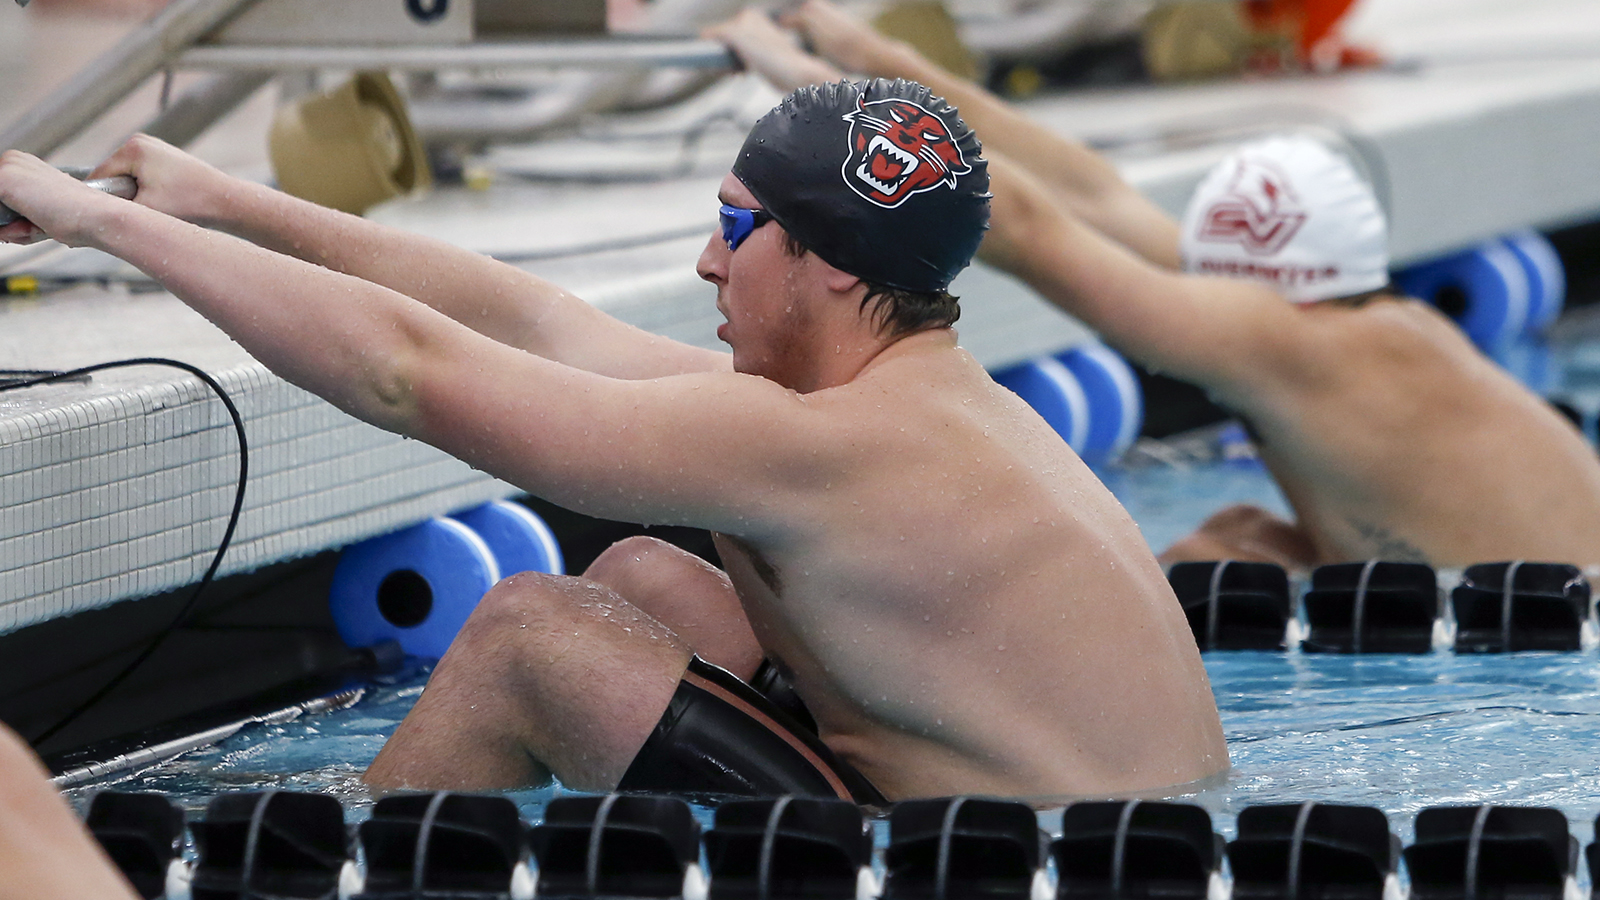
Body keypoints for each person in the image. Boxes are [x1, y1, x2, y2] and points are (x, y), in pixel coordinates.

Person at [0, 78, 1226, 800]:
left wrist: (101, 233)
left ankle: (333, 861)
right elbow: (538, 318)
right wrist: (218, 201)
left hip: (1028, 868)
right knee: (645, 582)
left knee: (535, 640)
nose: (706, 259)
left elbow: (403, 373)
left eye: (737, 229)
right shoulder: (910, 405)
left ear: (833, 270)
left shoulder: (815, 447)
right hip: (1126, 839)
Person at [710, 2, 1600, 572]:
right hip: (1532, 614)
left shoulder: (1282, 342)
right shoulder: (1348, 321)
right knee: (1235, 550)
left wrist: (810, 100)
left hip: (1551, 654)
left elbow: (1027, 227)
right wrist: (864, 46)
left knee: (1218, 564)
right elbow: (1095, 192)